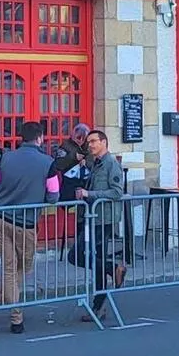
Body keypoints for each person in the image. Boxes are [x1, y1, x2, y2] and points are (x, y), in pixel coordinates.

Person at [0, 122, 59, 334]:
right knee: (22, 267)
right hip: (26, 223)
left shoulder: (4, 158)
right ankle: (16, 319)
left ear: (21, 138)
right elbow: (53, 196)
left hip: (1, 219)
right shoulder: (49, 163)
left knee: (10, 268)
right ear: (40, 138)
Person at [75, 130, 127, 322]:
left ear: (104, 142)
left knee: (78, 255)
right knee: (92, 259)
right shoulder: (95, 163)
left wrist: (90, 195)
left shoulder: (111, 164)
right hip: (92, 217)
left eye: (94, 141)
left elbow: (116, 192)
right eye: (89, 142)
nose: (90, 145)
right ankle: (99, 305)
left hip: (103, 218)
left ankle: (112, 269)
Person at [53, 123, 91, 202]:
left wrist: (86, 162)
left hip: (86, 184)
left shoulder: (89, 147)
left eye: (83, 138)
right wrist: (73, 157)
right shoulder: (65, 146)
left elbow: (95, 162)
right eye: (78, 137)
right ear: (73, 135)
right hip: (69, 184)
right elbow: (58, 164)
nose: (80, 140)